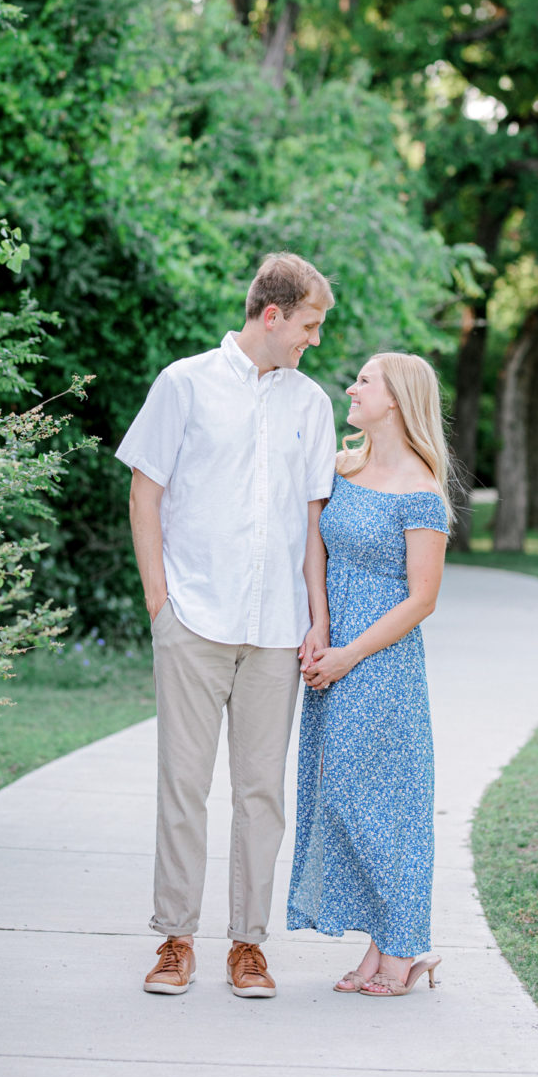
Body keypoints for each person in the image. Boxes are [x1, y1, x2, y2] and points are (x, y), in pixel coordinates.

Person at [116, 253, 337, 998]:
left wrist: (318, 618)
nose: (315, 340)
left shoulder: (311, 404)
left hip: (277, 629)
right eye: (309, 325)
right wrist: (161, 604)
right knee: (183, 785)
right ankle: (176, 939)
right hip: (195, 619)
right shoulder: (184, 384)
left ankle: (249, 945)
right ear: (272, 316)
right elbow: (145, 494)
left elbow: (312, 523)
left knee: (260, 794)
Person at [287, 352, 450, 998]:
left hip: (382, 663)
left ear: (397, 400)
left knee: (380, 804)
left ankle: (400, 949)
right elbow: (314, 546)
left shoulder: (421, 491)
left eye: (364, 381)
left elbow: (422, 598)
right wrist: (320, 626)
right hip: (333, 651)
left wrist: (349, 654)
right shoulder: (342, 467)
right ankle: (385, 943)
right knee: (339, 796)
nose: (351, 389)